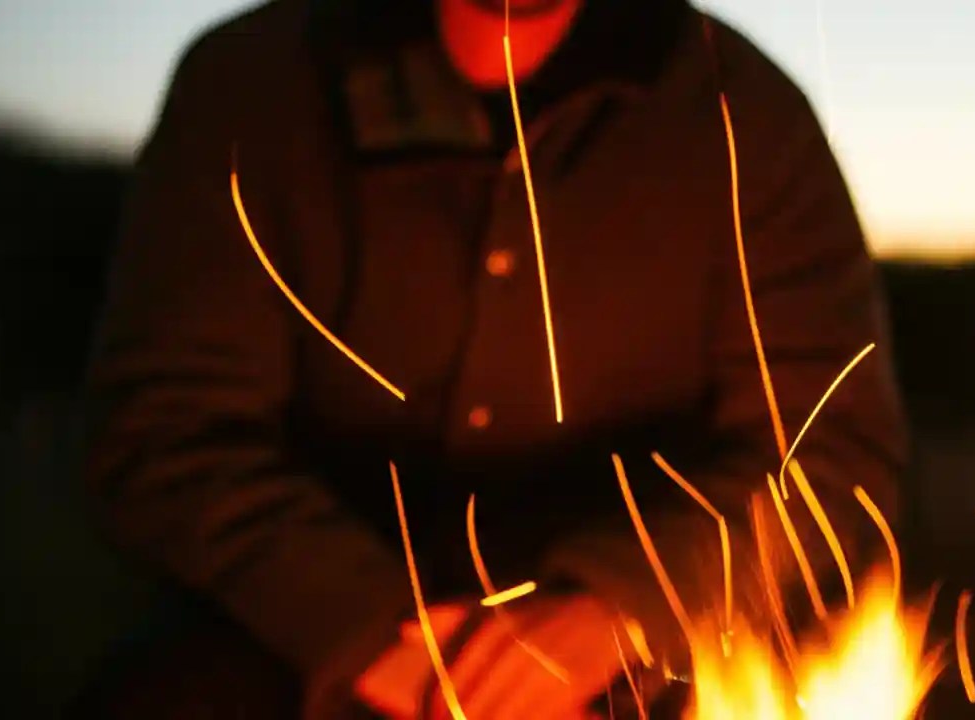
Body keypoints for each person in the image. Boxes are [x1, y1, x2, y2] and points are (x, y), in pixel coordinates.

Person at [80, 0, 909, 717]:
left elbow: (829, 455)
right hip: (292, 647)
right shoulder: (251, 86)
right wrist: (374, 632)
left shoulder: (746, 117)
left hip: (633, 665)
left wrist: (614, 612)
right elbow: (162, 429)